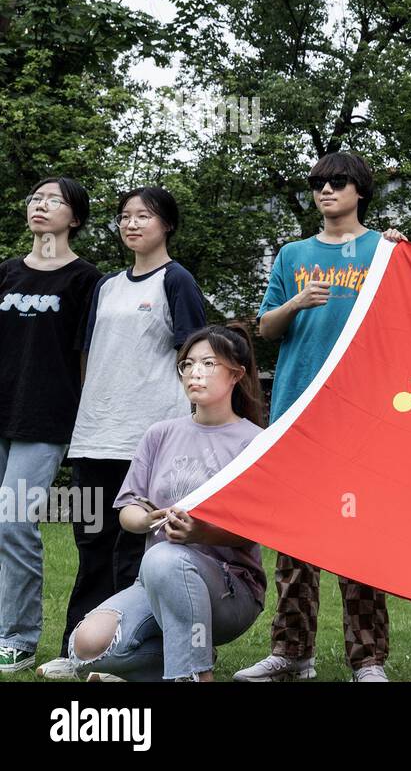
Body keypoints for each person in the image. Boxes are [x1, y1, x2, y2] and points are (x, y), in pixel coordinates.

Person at [235, 151, 405, 683]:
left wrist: (403, 255)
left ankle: (369, 659)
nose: (325, 190)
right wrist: (296, 303)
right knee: (293, 538)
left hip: (361, 413)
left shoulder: (384, 251)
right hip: (295, 410)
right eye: (317, 183)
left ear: (361, 191)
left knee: (359, 540)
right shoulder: (292, 255)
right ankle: (292, 654)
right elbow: (265, 330)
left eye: (338, 182)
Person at [38, 186, 207, 679]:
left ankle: (124, 653)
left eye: (144, 216)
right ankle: (77, 651)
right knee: (92, 539)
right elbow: (88, 356)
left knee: (140, 545)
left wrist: (189, 428)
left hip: (149, 437)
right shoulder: (107, 286)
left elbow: (194, 355)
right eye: (125, 217)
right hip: (94, 435)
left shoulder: (176, 281)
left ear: (166, 225)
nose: (132, 224)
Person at [68, 324, 267, 681]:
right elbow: (129, 510)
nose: (195, 373)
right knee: (86, 646)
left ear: (236, 374)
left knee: (163, 556)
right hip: (155, 581)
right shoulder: (160, 434)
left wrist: (200, 532)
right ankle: (190, 651)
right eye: (187, 365)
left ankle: (194, 674)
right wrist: (147, 520)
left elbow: (254, 530)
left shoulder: (254, 442)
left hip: (230, 590)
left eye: (208, 364)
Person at [0, 178, 103, 673]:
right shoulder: (5, 274)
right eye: (34, 198)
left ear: (75, 218)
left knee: (14, 521)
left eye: (53, 200)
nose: (40, 206)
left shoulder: (86, 281)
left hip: (44, 419)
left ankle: (17, 637)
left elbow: (91, 356)